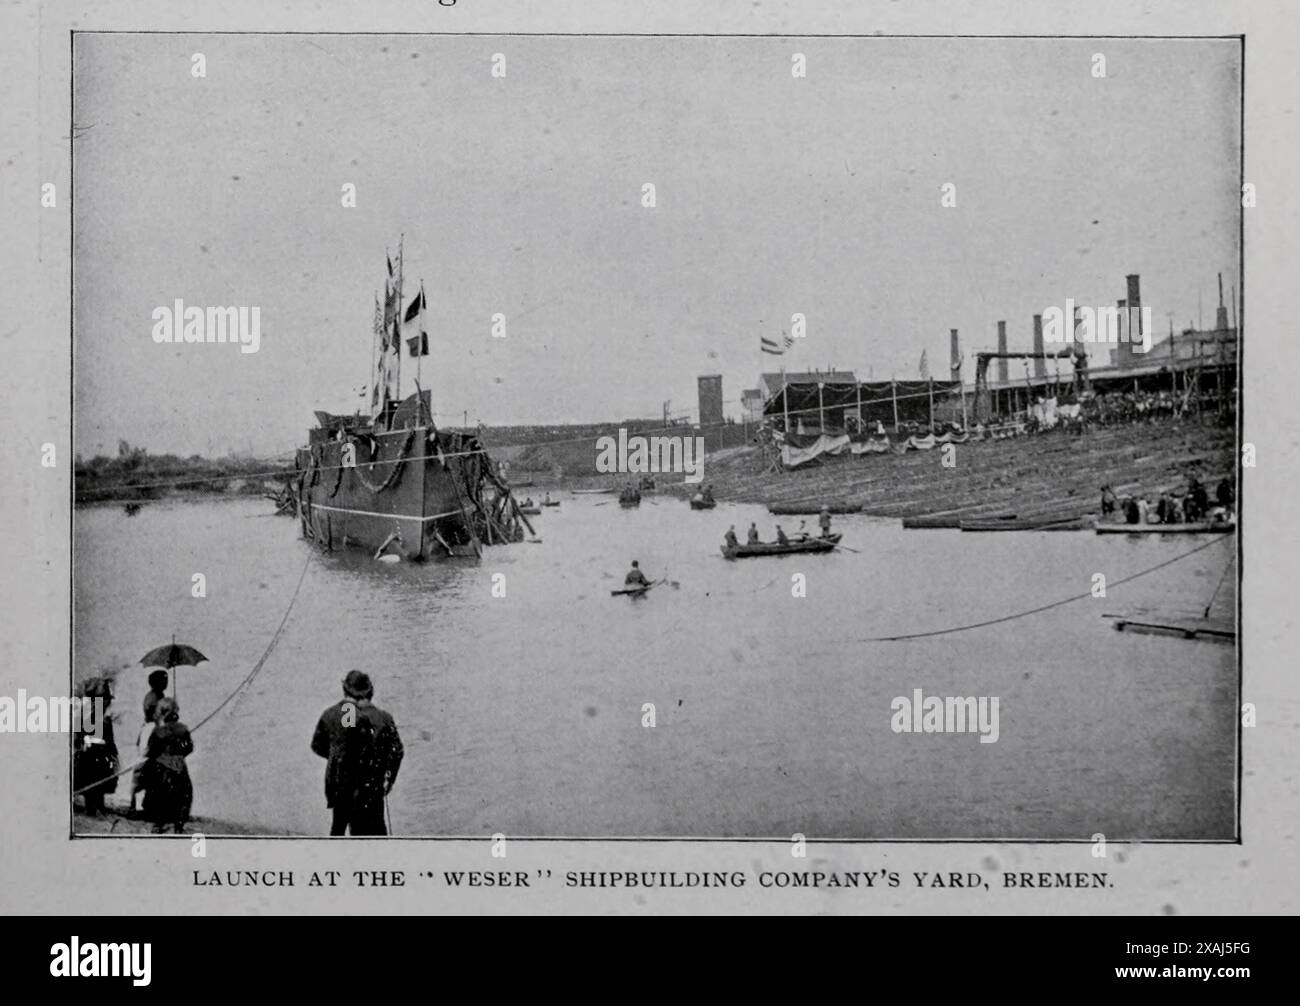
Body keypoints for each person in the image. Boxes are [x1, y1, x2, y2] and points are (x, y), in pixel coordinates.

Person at [311, 671, 405, 837]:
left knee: (339, 830)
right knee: (374, 831)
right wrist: (389, 778)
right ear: (370, 691)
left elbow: (318, 746)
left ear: (345, 690)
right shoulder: (382, 718)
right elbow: (397, 751)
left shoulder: (336, 714)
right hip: (369, 786)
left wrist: (335, 757)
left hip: (340, 785)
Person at [143, 697, 193, 834]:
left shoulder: (158, 731)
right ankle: (178, 826)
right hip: (179, 768)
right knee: (184, 796)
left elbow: (150, 751)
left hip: (161, 771)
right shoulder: (183, 729)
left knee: (158, 796)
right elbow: (189, 748)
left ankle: (158, 824)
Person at [74, 676, 118, 816]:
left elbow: (109, 737)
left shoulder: (102, 716)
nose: (107, 702)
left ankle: (99, 803)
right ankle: (91, 806)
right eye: (104, 698)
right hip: (91, 753)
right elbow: (79, 734)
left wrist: (112, 750)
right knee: (91, 779)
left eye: (107, 699)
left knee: (101, 779)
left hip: (101, 752)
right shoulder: (86, 713)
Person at [129, 669, 169, 815]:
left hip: (153, 729)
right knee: (144, 766)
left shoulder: (158, 696)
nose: (166, 683)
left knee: (154, 768)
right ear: (156, 682)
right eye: (163, 680)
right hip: (151, 730)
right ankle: (137, 807)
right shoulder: (153, 697)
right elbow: (156, 715)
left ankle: (149, 805)